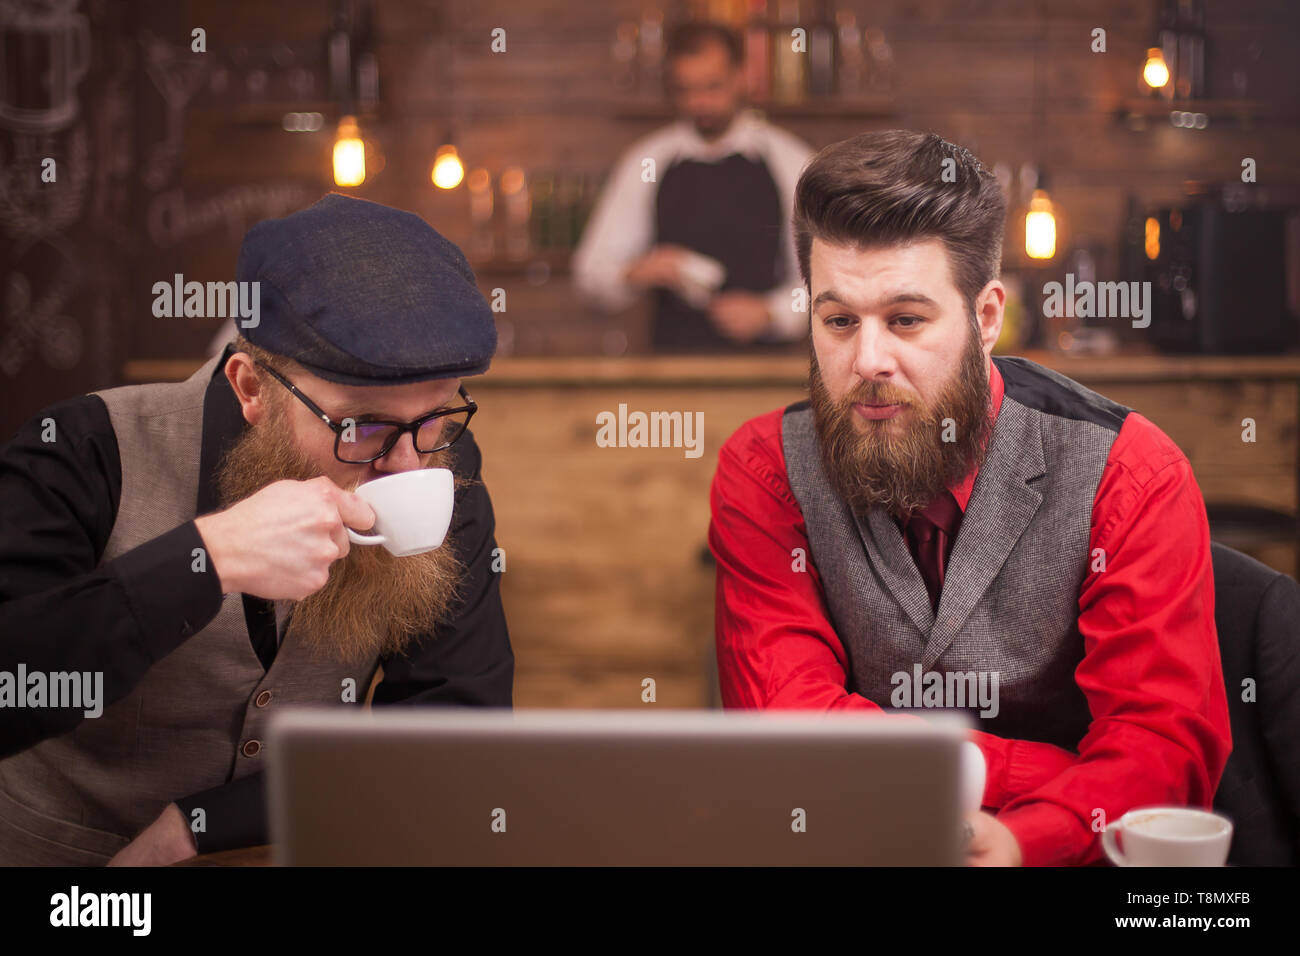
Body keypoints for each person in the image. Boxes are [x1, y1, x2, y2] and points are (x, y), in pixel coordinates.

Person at [708, 130, 1232, 866]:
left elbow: (1159, 761)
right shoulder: (764, 469)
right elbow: (792, 731)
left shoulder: (1131, 473)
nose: (867, 362)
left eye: (907, 320)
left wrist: (1024, 839)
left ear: (986, 318)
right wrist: (1039, 775)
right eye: (838, 321)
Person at [0, 193, 513, 865]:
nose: (408, 464)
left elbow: (450, 731)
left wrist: (201, 827)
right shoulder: (86, 448)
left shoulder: (441, 470)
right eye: (362, 426)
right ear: (251, 387)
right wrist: (201, 560)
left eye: (435, 416)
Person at [572, 21, 814, 352]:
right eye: (686, 90)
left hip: (766, 371)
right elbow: (590, 275)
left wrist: (771, 313)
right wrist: (636, 271)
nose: (699, 103)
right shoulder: (647, 162)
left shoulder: (792, 162)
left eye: (712, 87)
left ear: (743, 76)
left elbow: (826, 283)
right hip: (671, 372)